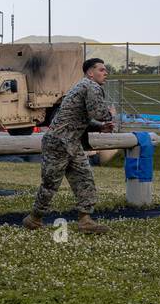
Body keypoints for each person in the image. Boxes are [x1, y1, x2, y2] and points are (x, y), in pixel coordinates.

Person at [22, 57, 115, 234]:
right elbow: (98, 112)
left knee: (84, 178)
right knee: (51, 183)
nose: (106, 73)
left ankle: (85, 220)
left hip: (69, 142)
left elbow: (77, 117)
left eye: (105, 70)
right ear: (90, 73)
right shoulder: (92, 86)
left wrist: (100, 127)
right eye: (101, 70)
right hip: (59, 142)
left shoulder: (81, 86)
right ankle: (34, 218)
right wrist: (109, 115)